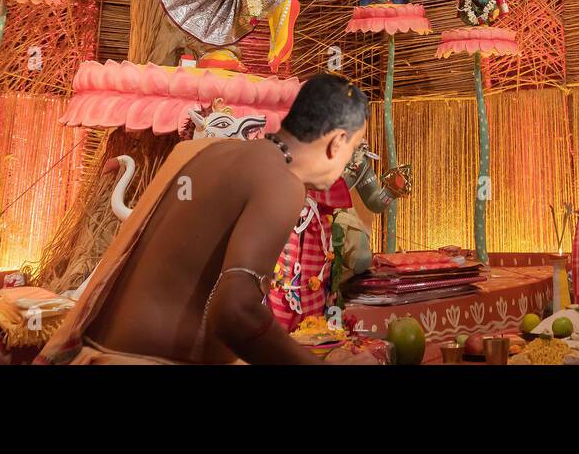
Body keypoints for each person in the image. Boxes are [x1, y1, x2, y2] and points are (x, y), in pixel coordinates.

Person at [36, 74, 371, 364]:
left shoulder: (203, 152)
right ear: (337, 142)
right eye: (354, 148)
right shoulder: (282, 182)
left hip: (95, 353)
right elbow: (234, 314)